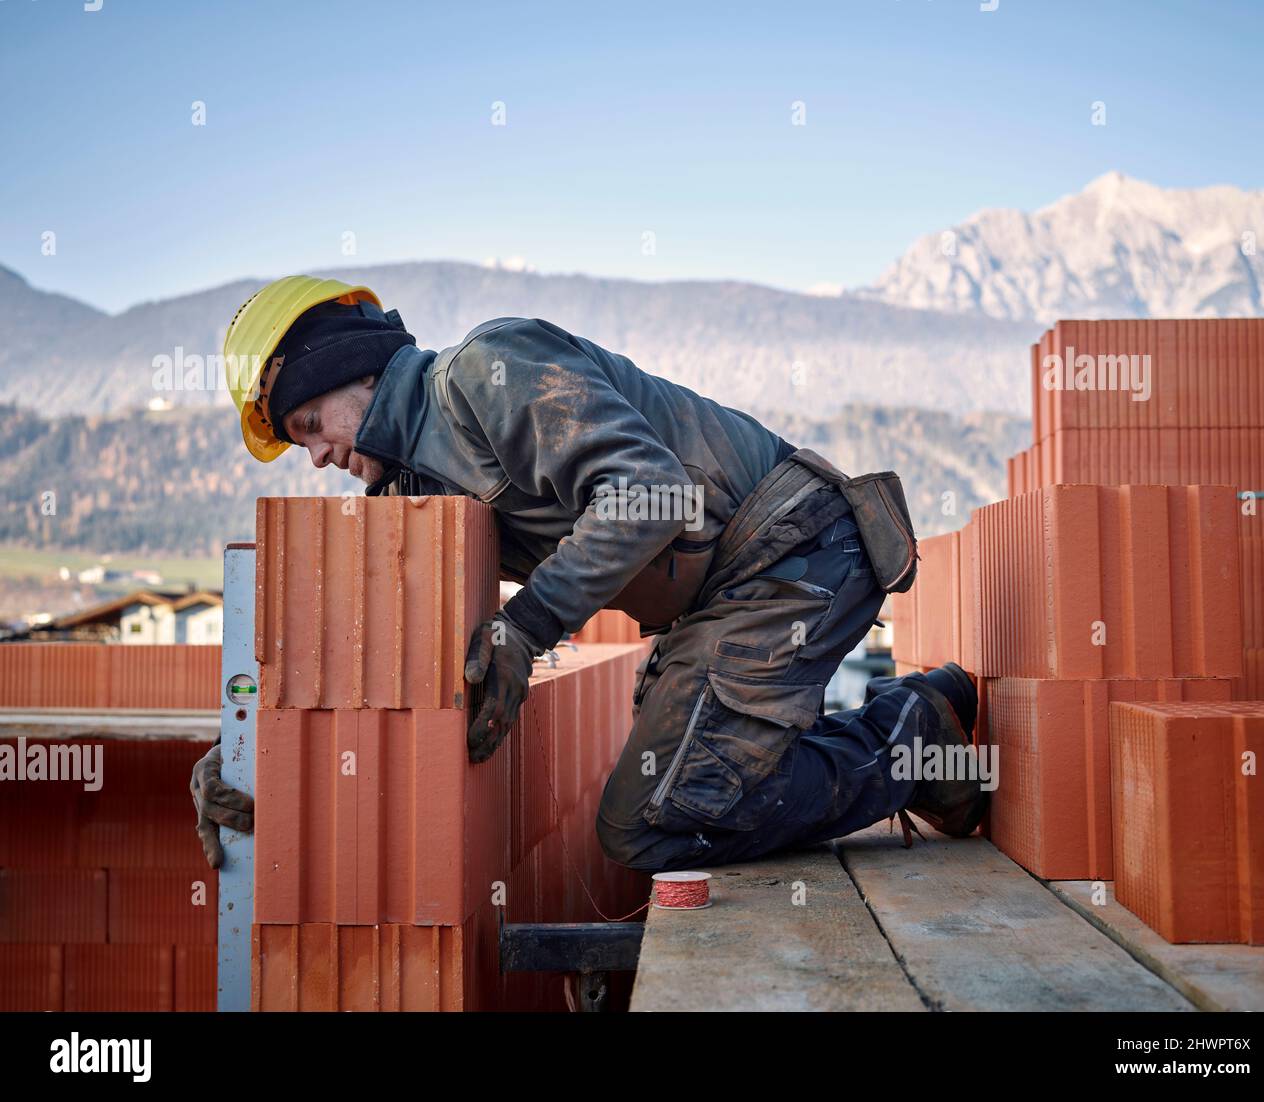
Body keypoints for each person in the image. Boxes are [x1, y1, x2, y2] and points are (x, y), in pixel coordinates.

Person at [191, 275, 986, 873]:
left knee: (652, 820)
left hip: (792, 555)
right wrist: (249, 745)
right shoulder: (411, 486)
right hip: (722, 600)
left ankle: (910, 741)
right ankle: (923, 710)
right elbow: (357, 644)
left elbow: (651, 494)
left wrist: (525, 628)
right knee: (689, 767)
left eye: (310, 426)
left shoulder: (484, 372)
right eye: (303, 446)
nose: (321, 456)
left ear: (348, 366)